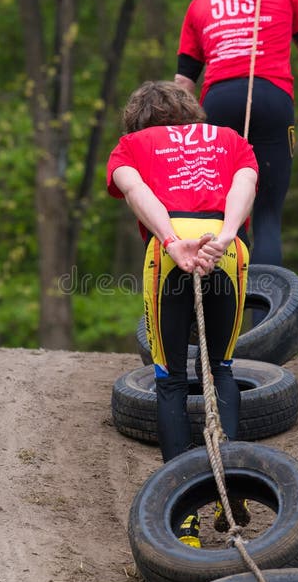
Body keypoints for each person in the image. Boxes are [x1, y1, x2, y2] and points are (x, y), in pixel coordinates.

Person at [107, 81, 258, 548]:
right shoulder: (231, 139)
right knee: (221, 368)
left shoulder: (131, 145)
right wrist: (227, 235)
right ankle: (227, 485)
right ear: (192, 111)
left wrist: (172, 242)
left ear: (136, 120)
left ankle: (184, 517)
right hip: (225, 248)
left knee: (171, 379)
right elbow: (245, 183)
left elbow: (134, 191)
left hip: (172, 250)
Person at [175, 0, 298, 268]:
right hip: (271, 96)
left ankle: (230, 308)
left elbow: (182, 83)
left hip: (216, 102)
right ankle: (268, 317)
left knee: (227, 211)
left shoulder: (201, 0)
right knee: (267, 214)